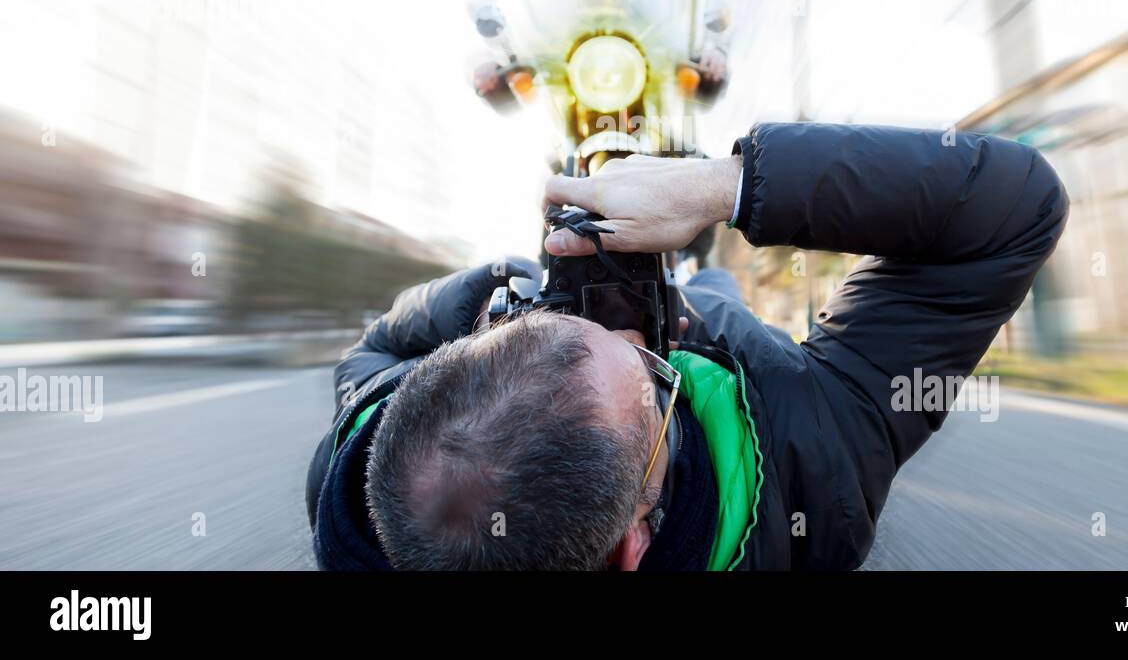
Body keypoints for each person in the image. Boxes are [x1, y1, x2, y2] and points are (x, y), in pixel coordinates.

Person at [306, 122, 1068, 569]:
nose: (624, 324)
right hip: (728, 328)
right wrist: (725, 187)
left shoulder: (353, 481)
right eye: (650, 376)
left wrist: (475, 293)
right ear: (632, 543)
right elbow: (1015, 205)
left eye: (525, 327)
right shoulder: (816, 466)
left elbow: (371, 355)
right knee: (713, 297)